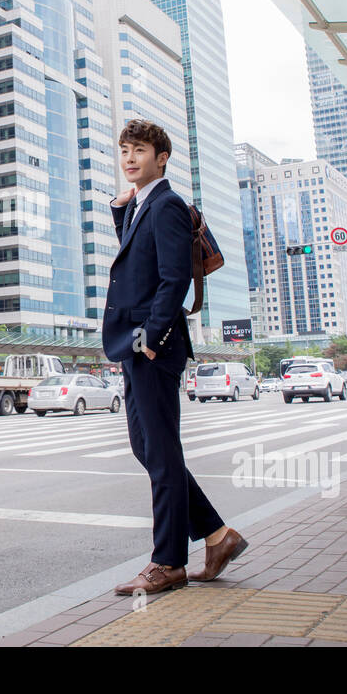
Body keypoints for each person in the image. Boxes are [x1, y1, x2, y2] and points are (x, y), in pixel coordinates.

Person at [102, 119, 249, 595]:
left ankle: (168, 563)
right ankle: (217, 535)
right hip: (135, 345)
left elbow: (173, 279)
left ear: (160, 158)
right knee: (148, 448)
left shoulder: (166, 206)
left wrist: (150, 335)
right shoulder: (142, 205)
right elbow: (136, 263)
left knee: (162, 453)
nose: (129, 158)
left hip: (152, 345)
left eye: (139, 150)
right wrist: (121, 211)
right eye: (124, 150)